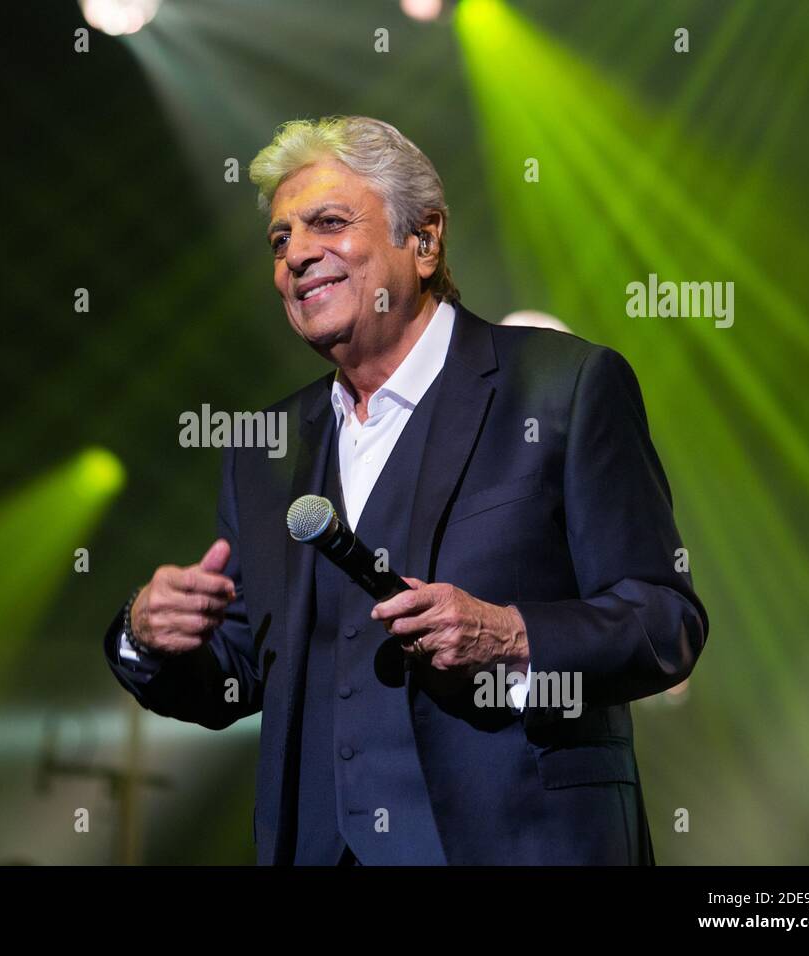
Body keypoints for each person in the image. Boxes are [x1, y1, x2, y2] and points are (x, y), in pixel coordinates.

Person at [103, 116, 708, 865]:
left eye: (328, 222)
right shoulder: (265, 449)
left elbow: (665, 621)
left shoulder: (563, 387)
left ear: (423, 241)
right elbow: (242, 674)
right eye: (279, 239)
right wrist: (148, 633)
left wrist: (510, 635)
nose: (296, 254)